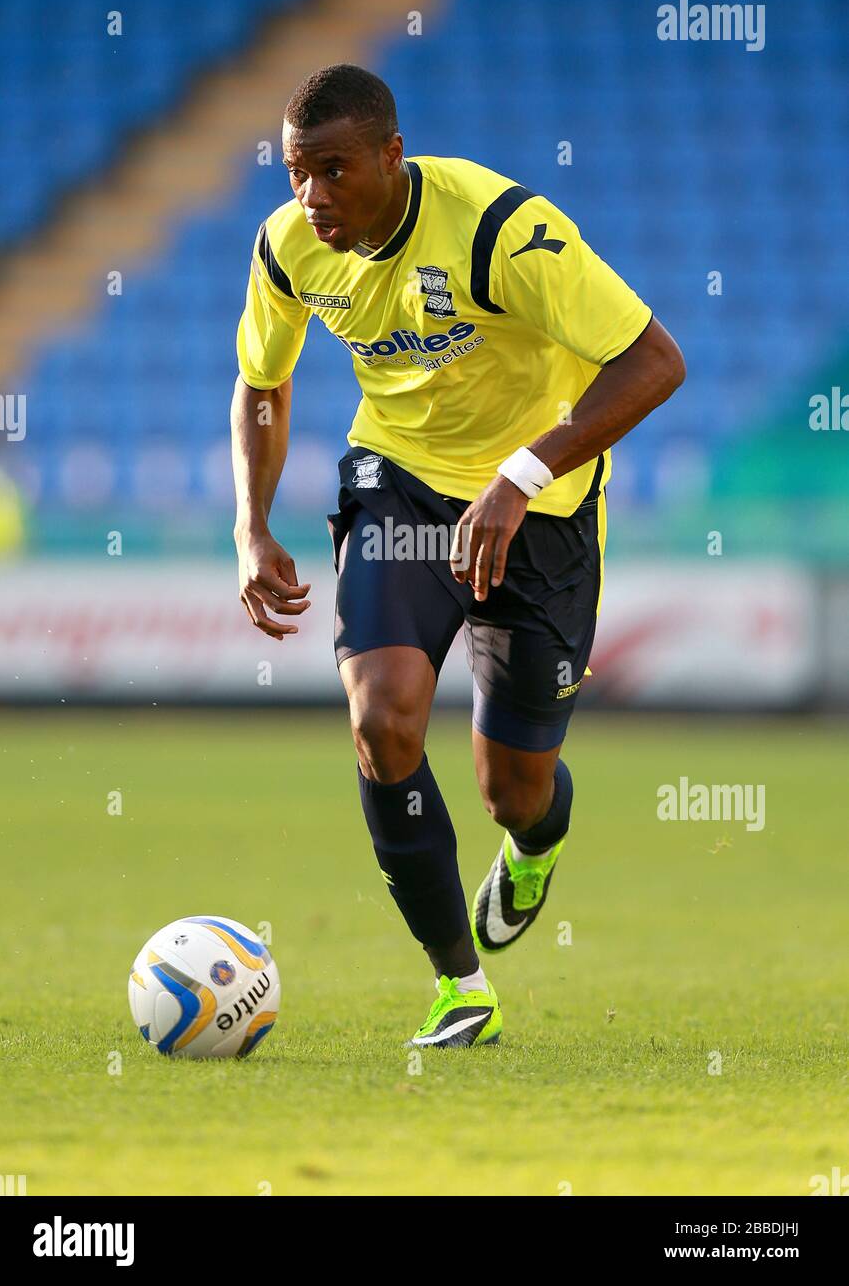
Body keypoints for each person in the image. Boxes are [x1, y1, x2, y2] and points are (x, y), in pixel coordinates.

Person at [231, 63, 685, 1048]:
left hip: (541, 505)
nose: (311, 198)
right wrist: (251, 523)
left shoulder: (497, 229)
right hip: (396, 482)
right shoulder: (286, 249)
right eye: (294, 172)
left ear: (392, 156)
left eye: (334, 171)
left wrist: (520, 475)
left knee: (510, 787)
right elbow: (261, 381)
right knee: (383, 719)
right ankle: (458, 985)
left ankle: (532, 845)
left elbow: (654, 360)